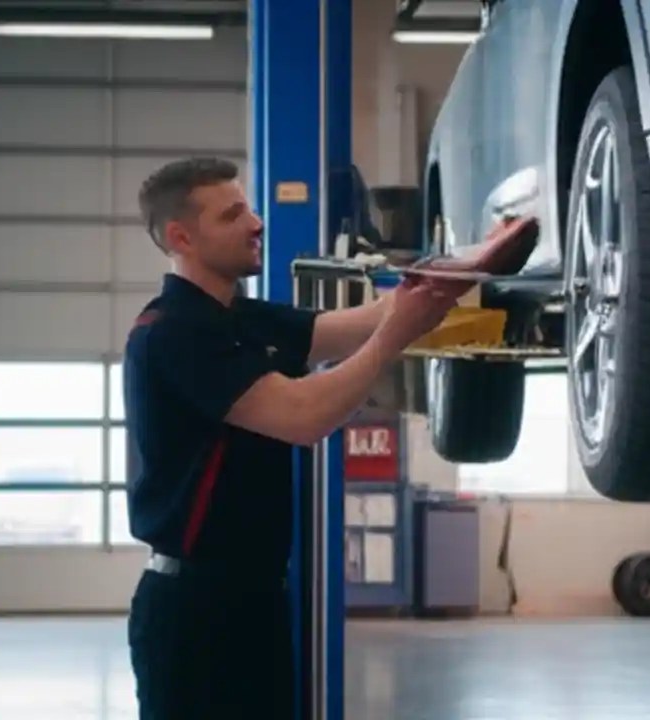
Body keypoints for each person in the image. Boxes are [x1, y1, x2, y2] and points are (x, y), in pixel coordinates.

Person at [121, 157, 520, 719]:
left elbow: (352, 325)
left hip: (251, 601)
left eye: (251, 208)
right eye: (233, 214)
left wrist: (452, 274)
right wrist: (398, 333)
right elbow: (303, 415)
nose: (256, 223)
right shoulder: (171, 334)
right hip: (194, 613)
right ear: (180, 237)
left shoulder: (238, 317)